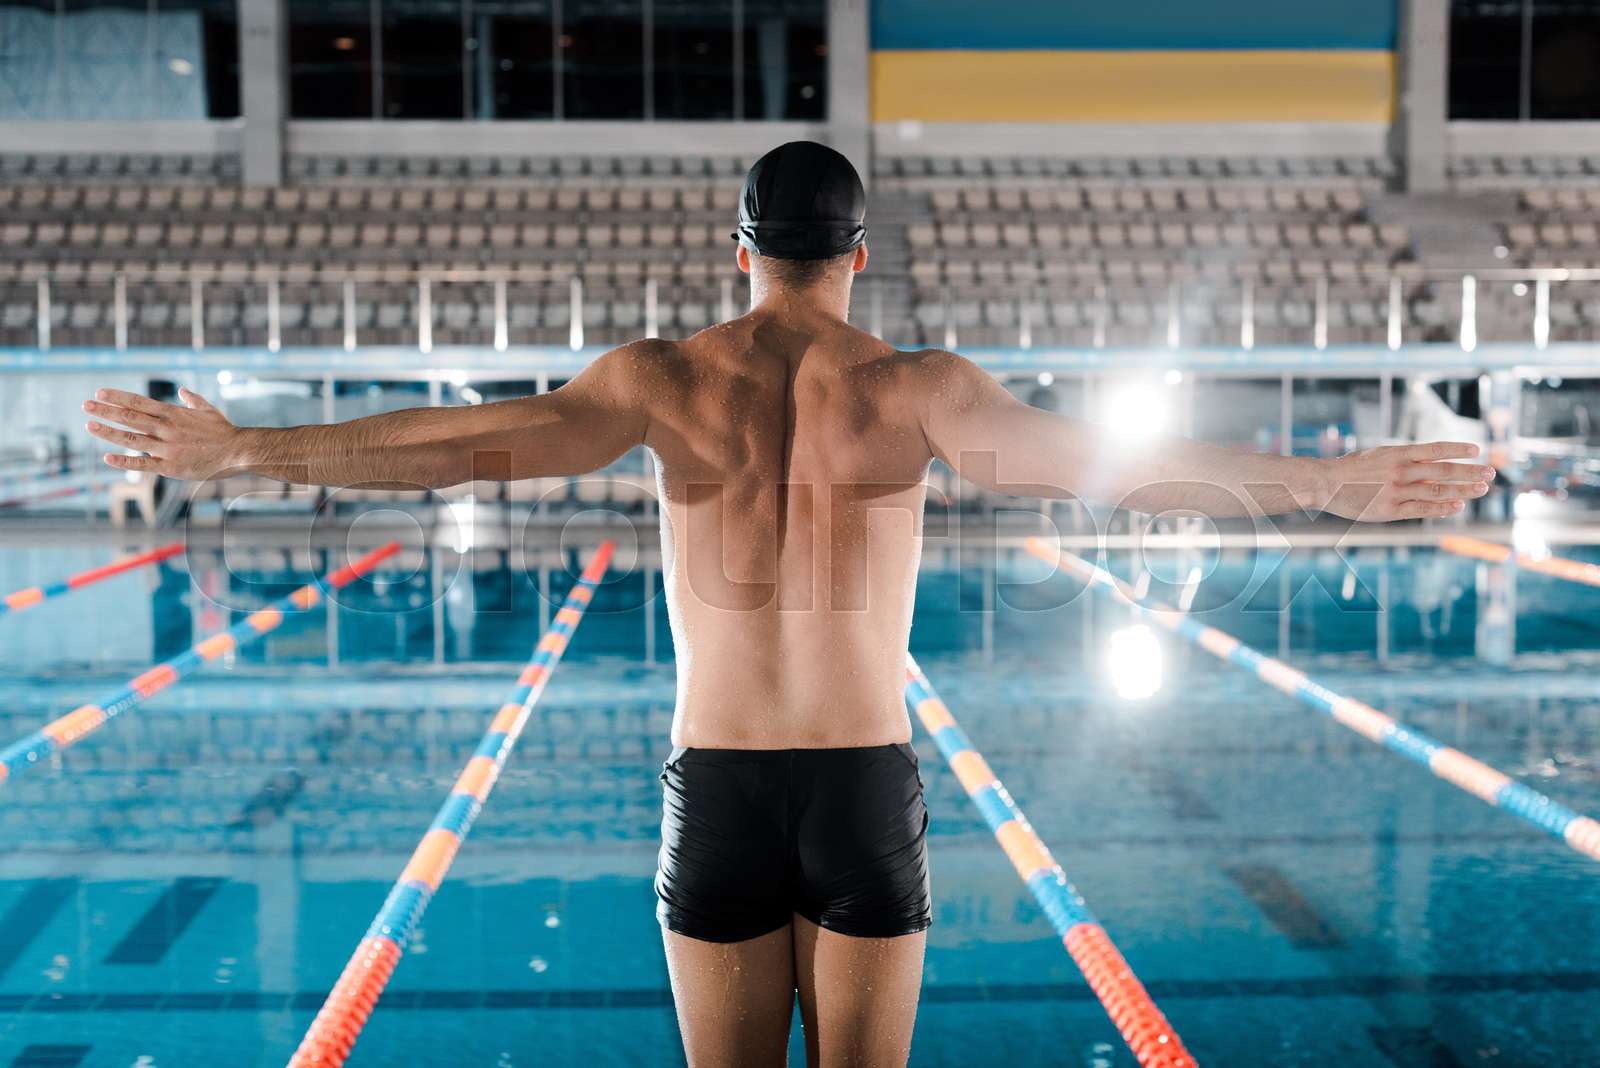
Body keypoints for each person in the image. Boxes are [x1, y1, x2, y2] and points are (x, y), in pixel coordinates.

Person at [82, 141, 1493, 1067]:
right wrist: (1332, 483)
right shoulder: (919, 393)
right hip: (865, 786)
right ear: (858, 253)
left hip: (719, 788)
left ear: (738, 248)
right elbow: (1120, 478)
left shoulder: (659, 383)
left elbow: (461, 445)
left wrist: (245, 450)